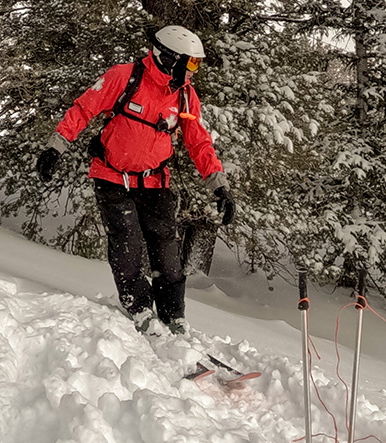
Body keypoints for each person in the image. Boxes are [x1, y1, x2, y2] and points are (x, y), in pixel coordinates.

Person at [35, 25, 237, 335]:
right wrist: (55, 146)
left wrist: (219, 185)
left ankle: (173, 317)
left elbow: (199, 142)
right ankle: (139, 307)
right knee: (126, 242)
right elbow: (84, 108)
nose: (194, 71)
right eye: (191, 63)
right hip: (112, 177)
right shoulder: (124, 76)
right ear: (170, 58)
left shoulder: (184, 96)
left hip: (155, 183)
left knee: (167, 253)